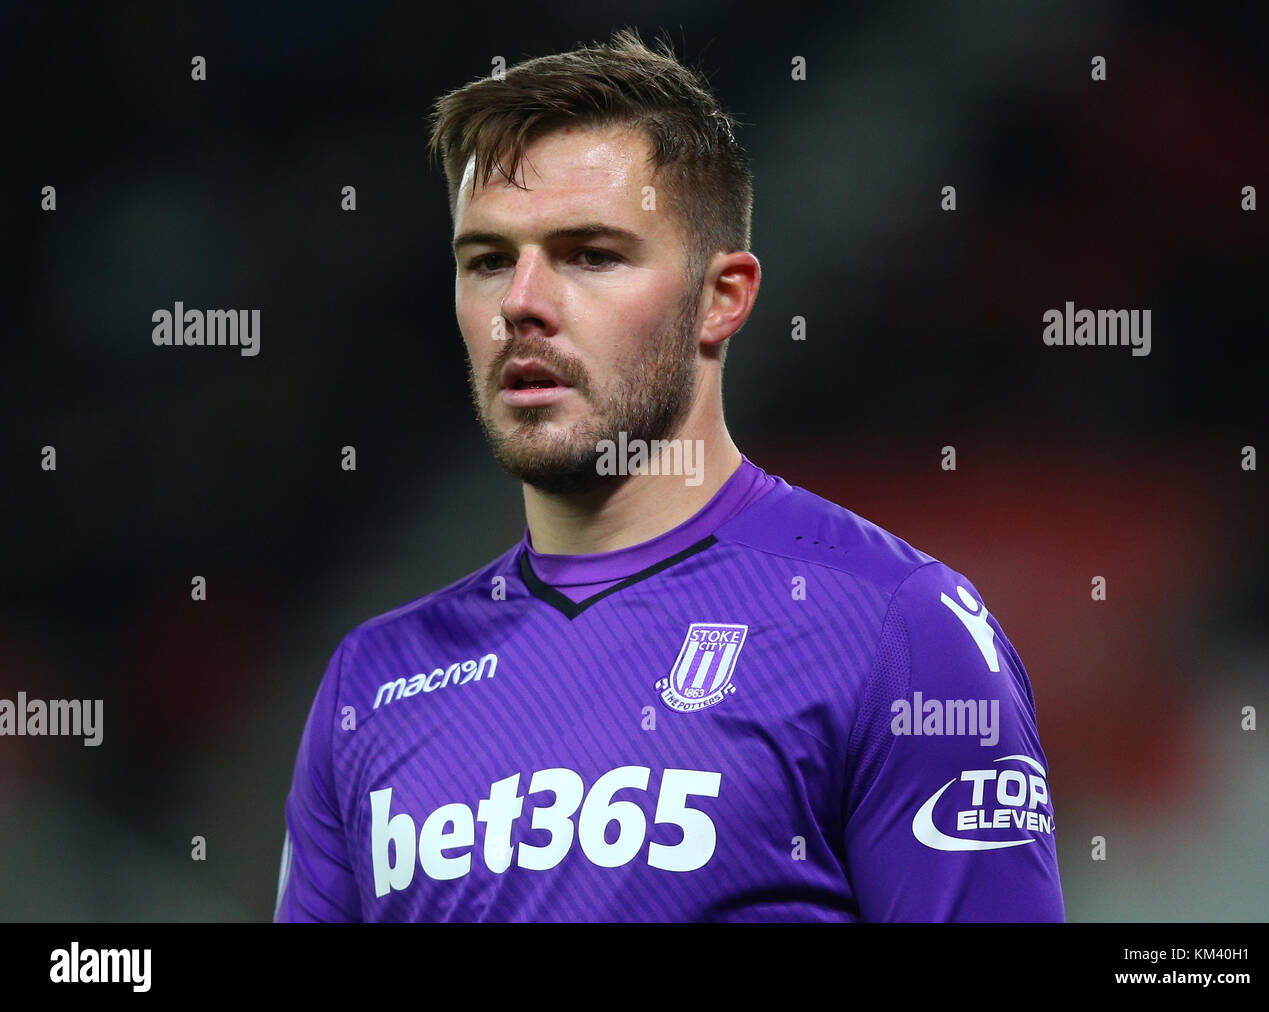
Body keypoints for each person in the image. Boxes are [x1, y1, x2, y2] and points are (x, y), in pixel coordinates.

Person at [274, 27, 1065, 922]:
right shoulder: (370, 682)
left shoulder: (898, 628)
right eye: (488, 260)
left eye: (590, 255)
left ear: (721, 298)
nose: (522, 304)